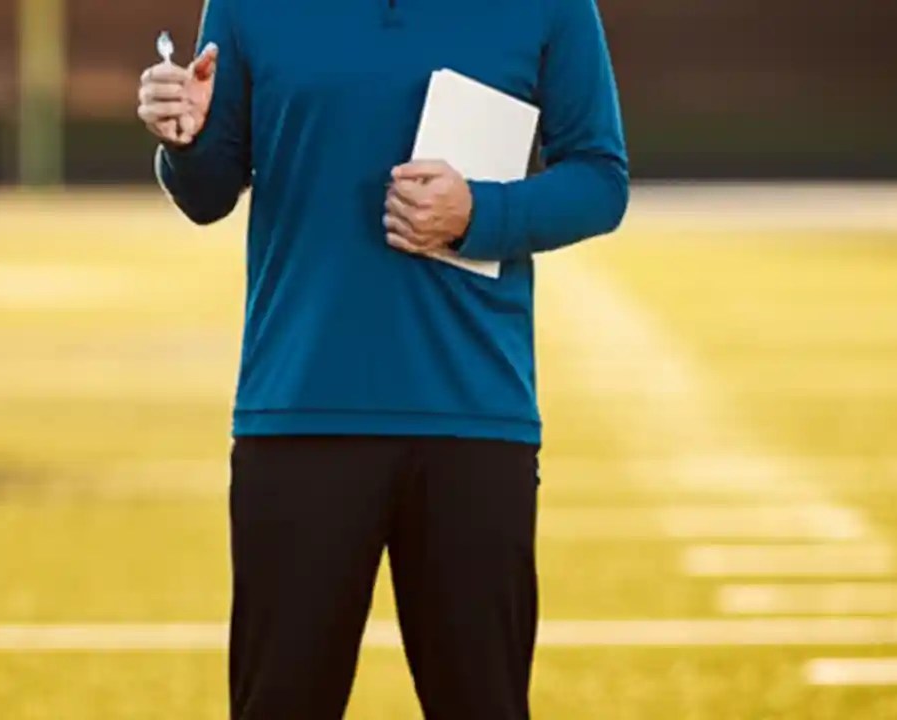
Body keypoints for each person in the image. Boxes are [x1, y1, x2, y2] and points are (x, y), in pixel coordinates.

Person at [137, 0, 627, 716]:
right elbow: (209, 192)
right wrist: (184, 138)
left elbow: (600, 179)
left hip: (476, 414)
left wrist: (479, 215)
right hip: (300, 412)